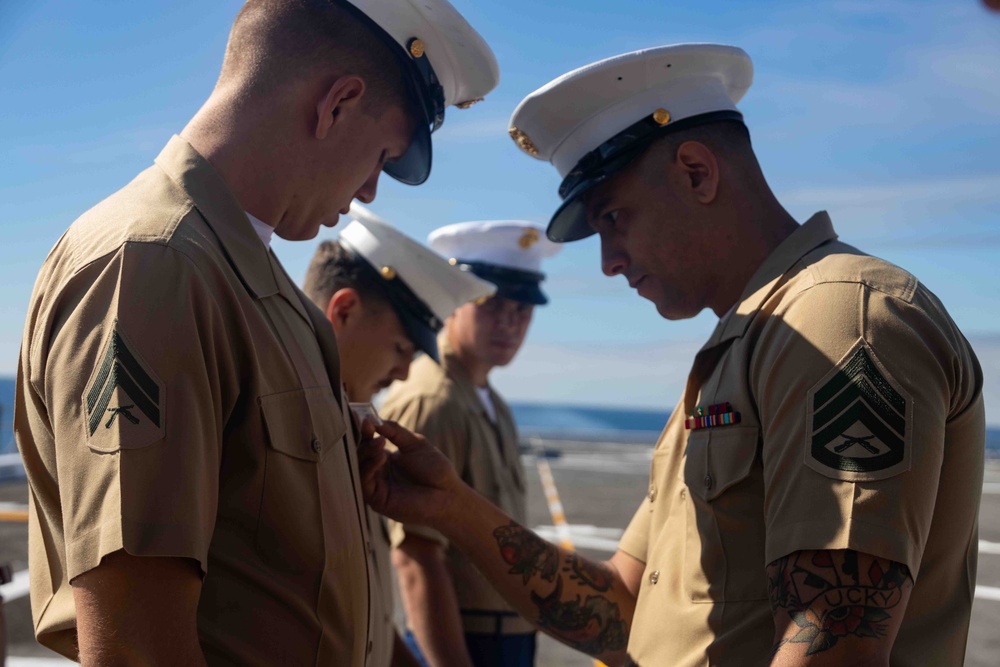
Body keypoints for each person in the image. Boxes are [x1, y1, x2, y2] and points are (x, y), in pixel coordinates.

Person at [359, 44, 986, 667]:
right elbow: (622, 607)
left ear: (696, 173)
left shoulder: (838, 318)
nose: (608, 262)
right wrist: (452, 508)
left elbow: (832, 639)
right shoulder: (742, 348)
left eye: (614, 218)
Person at [13, 0, 498, 664]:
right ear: (337, 104)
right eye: (382, 157)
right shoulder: (153, 266)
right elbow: (135, 642)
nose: (370, 191)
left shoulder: (263, 292)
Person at [301, 203, 495, 667]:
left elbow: (366, 618)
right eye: (401, 348)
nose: (405, 373)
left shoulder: (343, 429)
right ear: (344, 312)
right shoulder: (287, 425)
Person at [380, 221, 560, 667]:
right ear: (455, 299)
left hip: (506, 635)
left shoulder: (491, 401)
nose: (509, 322)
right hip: (462, 641)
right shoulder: (433, 399)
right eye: (492, 304)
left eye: (522, 309)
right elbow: (416, 556)